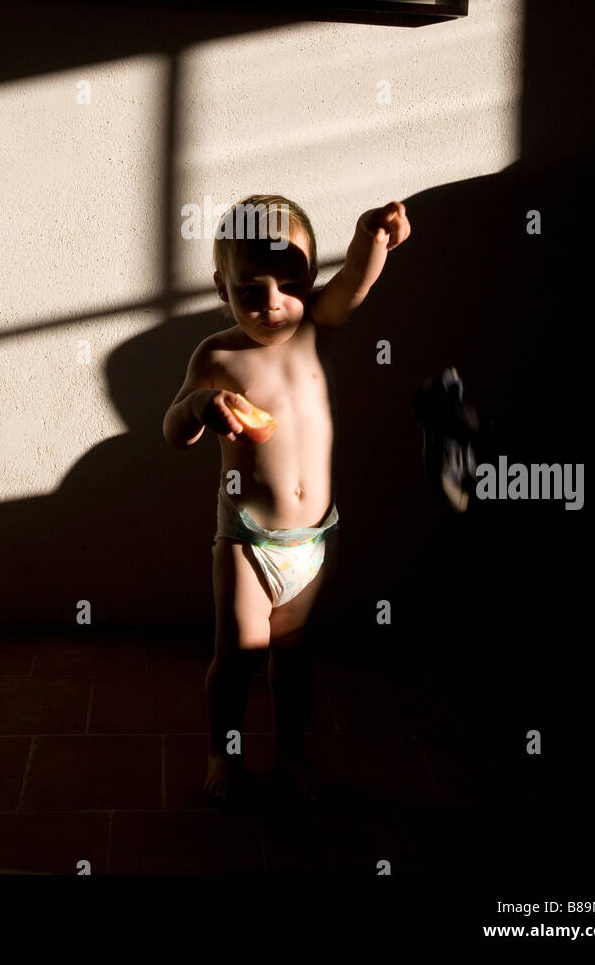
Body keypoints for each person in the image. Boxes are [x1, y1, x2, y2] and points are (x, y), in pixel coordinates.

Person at [162, 193, 411, 805]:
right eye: (250, 289)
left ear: (310, 278)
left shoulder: (314, 329)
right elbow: (173, 429)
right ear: (222, 288)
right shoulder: (218, 356)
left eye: (290, 283)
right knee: (240, 655)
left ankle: (292, 753)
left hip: (312, 540)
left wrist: (372, 238)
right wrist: (200, 408)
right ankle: (226, 752)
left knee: (295, 661)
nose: (272, 303)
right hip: (248, 541)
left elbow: (354, 283)